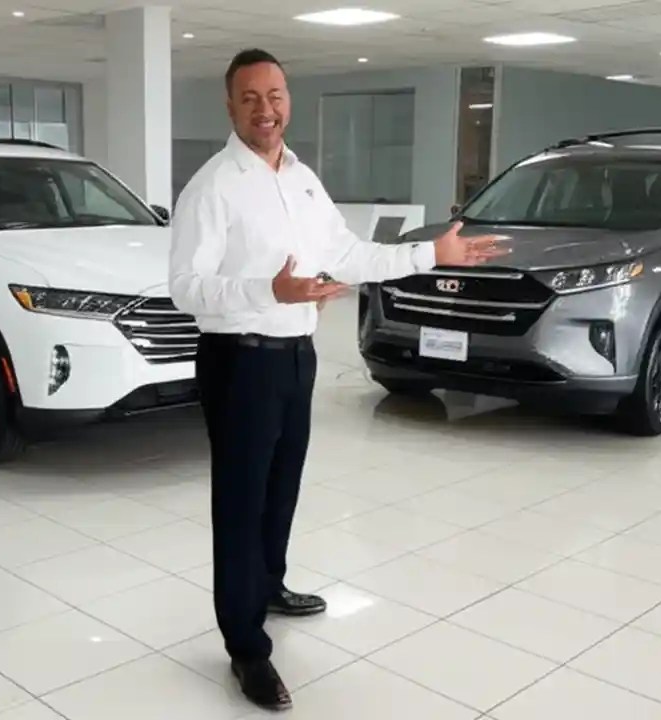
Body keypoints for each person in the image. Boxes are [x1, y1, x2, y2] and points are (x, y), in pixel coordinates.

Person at [168, 48, 507, 711]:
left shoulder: (299, 176)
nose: (266, 109)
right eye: (251, 98)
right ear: (230, 106)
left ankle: (269, 585)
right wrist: (269, 286)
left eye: (276, 95)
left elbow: (347, 253)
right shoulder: (212, 186)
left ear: (287, 99)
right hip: (239, 357)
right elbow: (183, 287)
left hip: (296, 353)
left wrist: (430, 253)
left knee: (281, 485)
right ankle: (245, 646)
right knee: (239, 505)